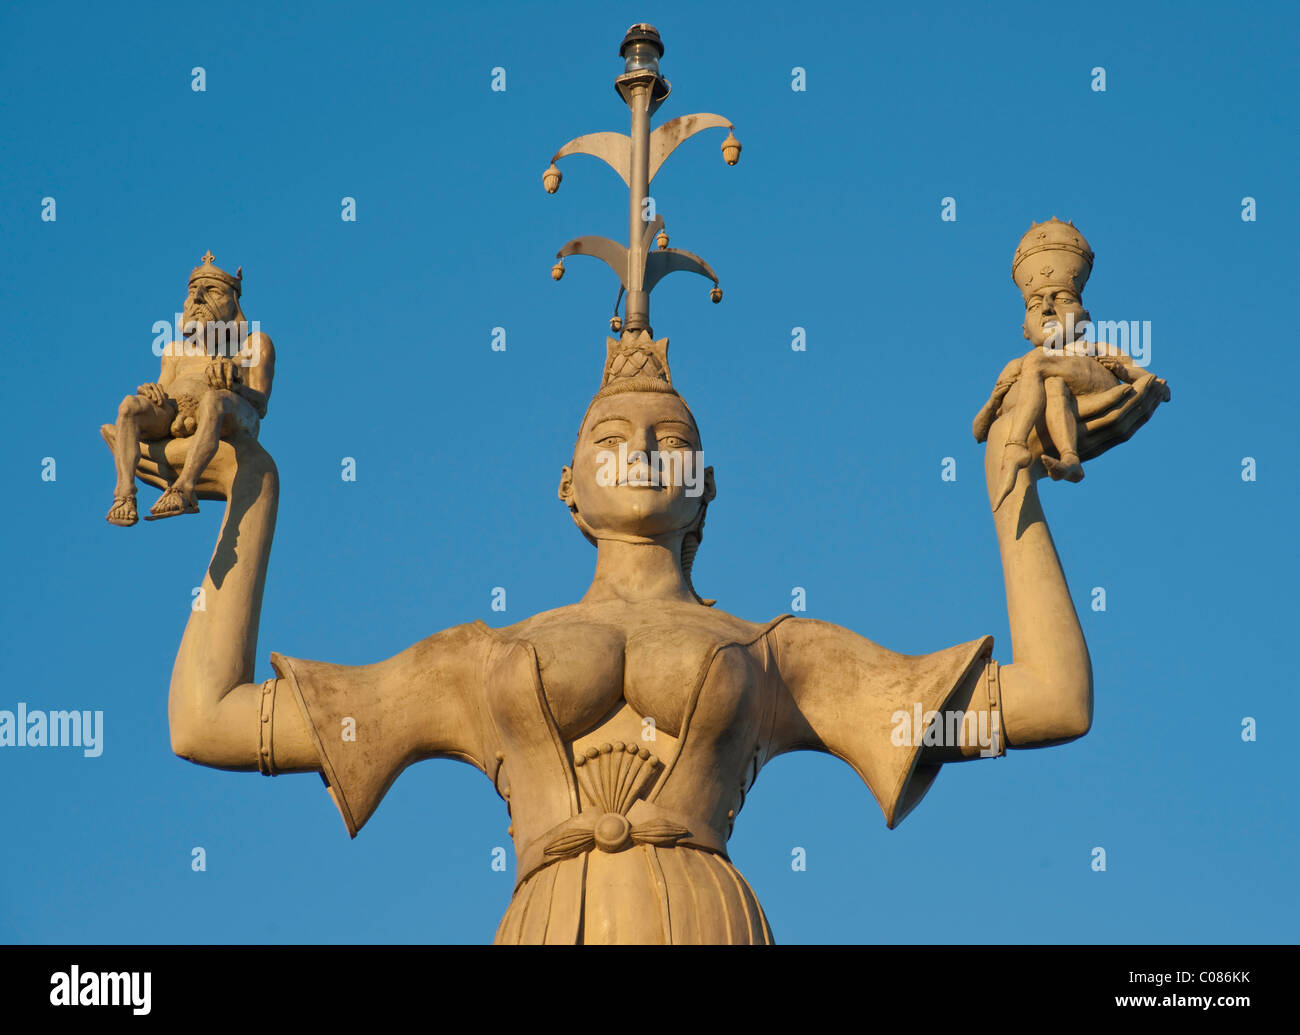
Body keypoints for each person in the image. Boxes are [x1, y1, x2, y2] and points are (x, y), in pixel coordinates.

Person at [974, 219, 1170, 510]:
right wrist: (994, 399)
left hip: (1095, 389)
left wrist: (1144, 380)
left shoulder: (1090, 348)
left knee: (1039, 363)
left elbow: (1140, 375)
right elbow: (979, 431)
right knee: (1051, 382)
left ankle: (1016, 448)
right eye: (1035, 304)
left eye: (1063, 298)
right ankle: (1070, 459)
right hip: (1057, 396)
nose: (1049, 307)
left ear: (1085, 319)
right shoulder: (1017, 367)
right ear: (1025, 330)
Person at [106, 252, 274, 525]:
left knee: (214, 401)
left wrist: (233, 385)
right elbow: (163, 390)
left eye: (211, 291)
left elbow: (261, 403)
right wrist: (152, 393)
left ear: (233, 303)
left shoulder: (253, 344)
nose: (197, 299)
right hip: (176, 416)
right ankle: (124, 493)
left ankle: (184, 489)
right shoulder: (174, 351)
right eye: (193, 292)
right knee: (129, 406)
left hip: (232, 413)